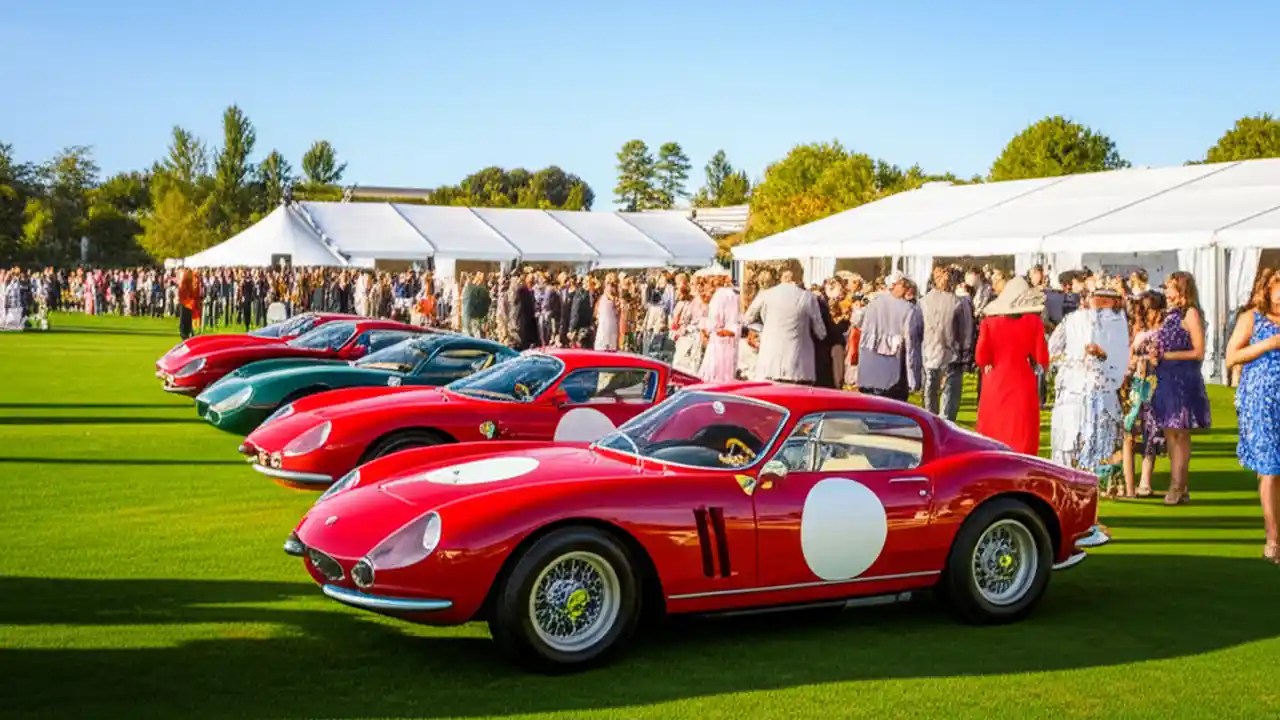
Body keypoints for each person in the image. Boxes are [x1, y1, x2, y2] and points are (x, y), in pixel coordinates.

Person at [1048, 287, 1130, 490]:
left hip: (1100, 392)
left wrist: (1102, 357)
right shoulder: (1074, 320)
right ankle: (1066, 484)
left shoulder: (1118, 323)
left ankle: (1093, 486)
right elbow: (1052, 351)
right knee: (1067, 441)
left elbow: (1119, 359)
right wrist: (1072, 361)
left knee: (1097, 444)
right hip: (1073, 390)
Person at [1225, 267, 1280, 563]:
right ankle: (1273, 539)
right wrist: (1268, 344)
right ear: (1268, 289)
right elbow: (1232, 356)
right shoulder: (1252, 318)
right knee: (1270, 469)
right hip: (1261, 401)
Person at [1147, 271, 1211, 505]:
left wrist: (1168, 355)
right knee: (1169, 433)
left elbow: (1198, 351)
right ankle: (1179, 485)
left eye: (1170, 287)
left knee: (1180, 433)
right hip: (1165, 378)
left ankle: (1178, 485)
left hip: (1183, 379)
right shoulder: (1168, 315)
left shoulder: (1190, 313)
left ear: (1182, 289)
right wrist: (1155, 355)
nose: (1167, 292)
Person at [974, 277, 1049, 455]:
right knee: (1022, 431)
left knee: (994, 429)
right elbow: (1042, 357)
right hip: (1022, 380)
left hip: (996, 381)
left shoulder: (989, 324)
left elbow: (981, 358)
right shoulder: (1033, 323)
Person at [741, 270, 826, 385]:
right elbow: (821, 332)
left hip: (769, 361)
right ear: (797, 278)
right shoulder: (807, 297)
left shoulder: (766, 294)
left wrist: (761, 329)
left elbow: (746, 319)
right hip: (799, 363)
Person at [856, 271, 921, 401]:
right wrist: (913, 380)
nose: (907, 289)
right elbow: (911, 346)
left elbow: (857, 321)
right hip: (893, 374)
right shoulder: (908, 309)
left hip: (869, 371)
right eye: (904, 285)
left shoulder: (873, 303)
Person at [921, 267, 968, 420]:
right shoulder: (956, 302)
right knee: (949, 395)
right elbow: (962, 331)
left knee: (930, 393)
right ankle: (946, 425)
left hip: (929, 352)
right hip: (949, 353)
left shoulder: (923, 301)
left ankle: (930, 421)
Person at [698, 268, 741, 383]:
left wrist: (712, 329)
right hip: (724, 341)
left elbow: (719, 321)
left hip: (721, 343)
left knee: (716, 376)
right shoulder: (727, 294)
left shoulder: (723, 294)